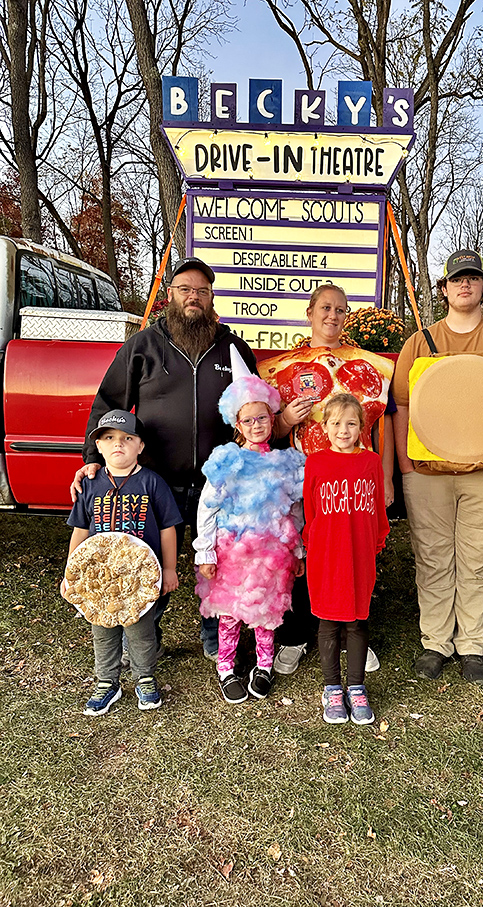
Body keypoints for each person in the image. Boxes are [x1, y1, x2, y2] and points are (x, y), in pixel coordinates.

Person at [71, 257, 258, 661]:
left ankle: (215, 635)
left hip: (219, 483)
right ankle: (145, 635)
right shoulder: (144, 345)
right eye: (186, 289)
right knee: (151, 561)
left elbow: (254, 406)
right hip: (156, 482)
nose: (194, 297)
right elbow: (109, 404)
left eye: (202, 291)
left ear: (211, 299)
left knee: (217, 564)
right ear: (170, 295)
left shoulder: (232, 347)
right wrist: (92, 456)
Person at [392, 249, 483, 685]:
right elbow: (400, 406)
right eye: (457, 279)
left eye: (473, 278)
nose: (465, 285)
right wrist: (406, 468)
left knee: (476, 561)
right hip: (428, 473)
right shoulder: (421, 343)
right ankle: (436, 642)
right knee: (434, 559)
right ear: (444, 288)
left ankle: (473, 644)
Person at [259, 283, 394, 676]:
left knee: (353, 555)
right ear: (310, 312)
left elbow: (383, 424)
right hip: (304, 478)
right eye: (325, 308)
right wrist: (286, 419)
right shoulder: (282, 368)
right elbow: (264, 430)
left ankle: (355, 632)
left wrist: (383, 479)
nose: (332, 316)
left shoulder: (369, 367)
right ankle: (297, 635)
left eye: (340, 309)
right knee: (302, 556)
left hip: (354, 484)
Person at [193, 352, 306, 703]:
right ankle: (226, 668)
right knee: (230, 614)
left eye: (263, 417)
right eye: (249, 420)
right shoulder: (228, 461)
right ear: (236, 425)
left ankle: (264, 665)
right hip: (232, 556)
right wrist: (206, 550)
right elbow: (207, 508)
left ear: (272, 418)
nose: (257, 425)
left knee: (267, 614)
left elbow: (295, 511)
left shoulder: (286, 463)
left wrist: (299, 549)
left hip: (272, 557)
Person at [64, 410, 182, 715]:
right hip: (98, 580)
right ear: (99, 447)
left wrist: (168, 569)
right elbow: (80, 530)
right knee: (103, 631)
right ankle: (107, 682)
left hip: (140, 578)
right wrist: (70, 575)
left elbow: (169, 528)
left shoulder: (151, 483)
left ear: (140, 446)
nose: (119, 444)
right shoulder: (89, 486)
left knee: (140, 633)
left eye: (127, 438)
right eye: (109, 439)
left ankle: (144, 679)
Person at [303, 394, 390, 725]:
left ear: (361, 428)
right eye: (336, 423)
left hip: (359, 551)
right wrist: (310, 543)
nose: (343, 430)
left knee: (356, 619)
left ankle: (356, 686)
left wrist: (377, 541)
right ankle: (332, 689)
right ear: (325, 426)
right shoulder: (316, 462)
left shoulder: (370, 462)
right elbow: (310, 509)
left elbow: (379, 507)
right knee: (327, 619)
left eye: (351, 423)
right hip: (326, 552)